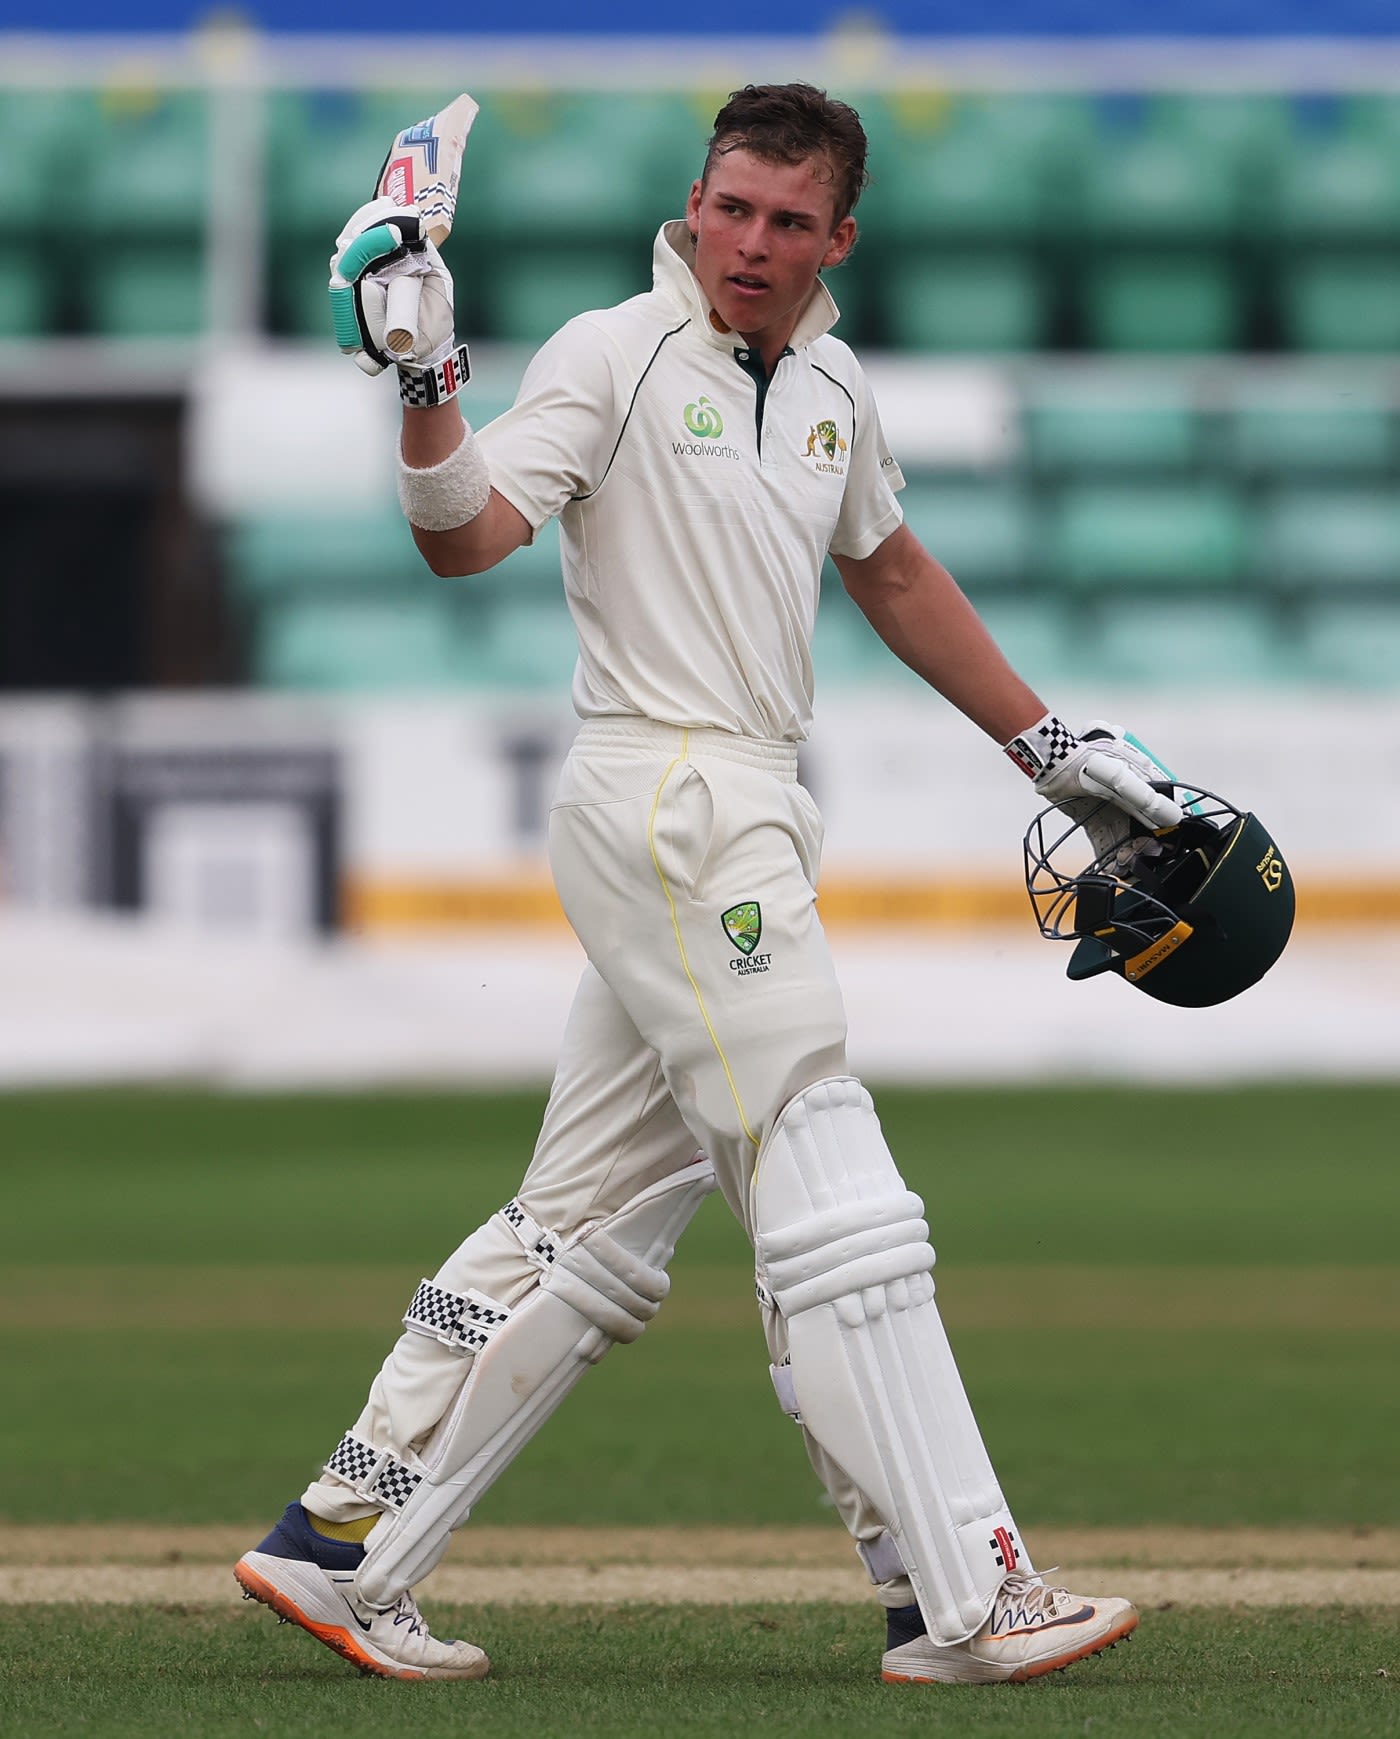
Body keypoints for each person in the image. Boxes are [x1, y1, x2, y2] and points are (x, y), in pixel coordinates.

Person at [236, 81, 1180, 1687]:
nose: (749, 244)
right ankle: (966, 1594)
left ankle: (342, 1538)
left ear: (839, 239)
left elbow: (887, 567)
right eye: (729, 207)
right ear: (697, 196)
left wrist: (1050, 748)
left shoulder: (831, 381)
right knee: (838, 1192)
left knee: (591, 1222)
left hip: (744, 798)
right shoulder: (615, 351)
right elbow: (468, 536)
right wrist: (424, 380)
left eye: (787, 221)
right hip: (670, 796)